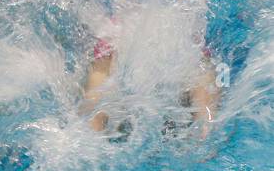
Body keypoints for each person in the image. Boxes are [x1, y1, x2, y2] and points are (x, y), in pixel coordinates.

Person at [80, 34, 221, 139]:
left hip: (118, 43)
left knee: (91, 119)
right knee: (201, 66)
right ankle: (205, 135)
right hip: (182, 45)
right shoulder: (189, 39)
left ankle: (90, 131)